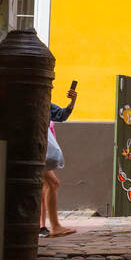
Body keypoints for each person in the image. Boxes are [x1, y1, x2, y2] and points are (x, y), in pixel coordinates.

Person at [40, 85, 78, 238]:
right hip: (36, 148)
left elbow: (62, 115)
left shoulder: (45, 104)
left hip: (40, 149)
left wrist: (72, 101)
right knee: (52, 184)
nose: (52, 88)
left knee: (47, 186)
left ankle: (44, 226)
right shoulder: (41, 103)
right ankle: (54, 226)